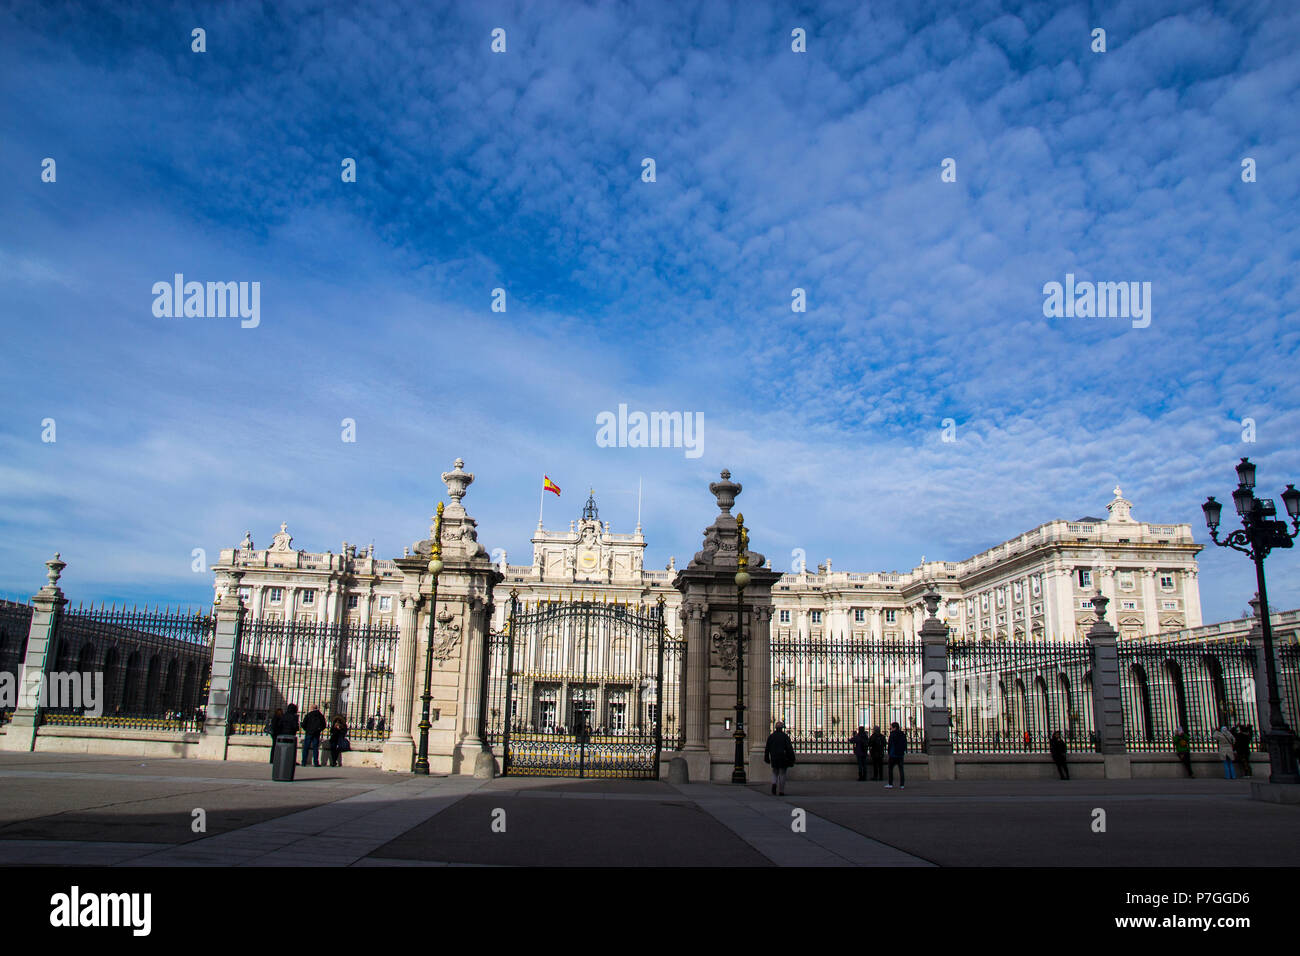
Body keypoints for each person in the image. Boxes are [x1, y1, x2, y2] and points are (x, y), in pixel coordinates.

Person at [764, 721, 796, 796]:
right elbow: (789, 748)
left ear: (775, 728)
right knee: (782, 774)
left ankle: (774, 783)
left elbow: (767, 748)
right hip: (783, 757)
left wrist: (766, 757)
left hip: (774, 757)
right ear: (782, 728)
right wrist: (792, 758)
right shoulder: (785, 736)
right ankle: (781, 791)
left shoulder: (771, 736)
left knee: (775, 772)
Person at [885, 722, 907, 789]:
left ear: (894, 727)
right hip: (900, 754)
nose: (890, 728)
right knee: (901, 770)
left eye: (891, 727)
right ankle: (902, 785)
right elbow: (905, 744)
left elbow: (890, 744)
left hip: (893, 754)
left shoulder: (892, 735)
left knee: (890, 769)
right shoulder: (902, 734)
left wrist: (889, 752)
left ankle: (890, 783)